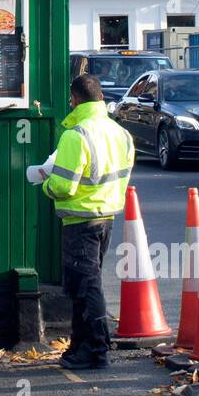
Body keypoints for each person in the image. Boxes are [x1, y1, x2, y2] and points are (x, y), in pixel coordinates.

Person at [38, 74, 135, 371]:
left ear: (76, 99)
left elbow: (63, 186)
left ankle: (95, 349)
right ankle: (81, 348)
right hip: (105, 218)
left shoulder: (76, 135)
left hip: (80, 220)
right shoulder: (121, 133)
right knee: (85, 286)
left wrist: (44, 183)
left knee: (86, 288)